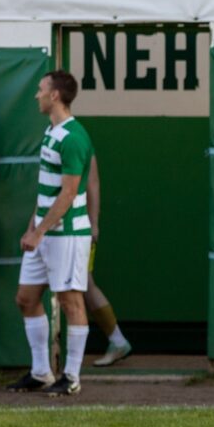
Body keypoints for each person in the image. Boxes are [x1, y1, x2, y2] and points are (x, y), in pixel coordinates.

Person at [10, 71, 95, 398]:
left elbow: (70, 192)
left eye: (40, 89)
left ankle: (71, 376)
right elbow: (48, 189)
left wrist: (40, 230)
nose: (36, 95)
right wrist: (33, 226)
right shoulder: (52, 132)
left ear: (55, 95)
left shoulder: (74, 136)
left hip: (68, 234)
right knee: (26, 298)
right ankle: (42, 371)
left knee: (71, 300)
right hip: (45, 235)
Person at [84, 157, 134, 367]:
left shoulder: (78, 139)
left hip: (75, 230)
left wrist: (93, 223)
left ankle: (117, 340)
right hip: (59, 231)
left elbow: (93, 183)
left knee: (84, 283)